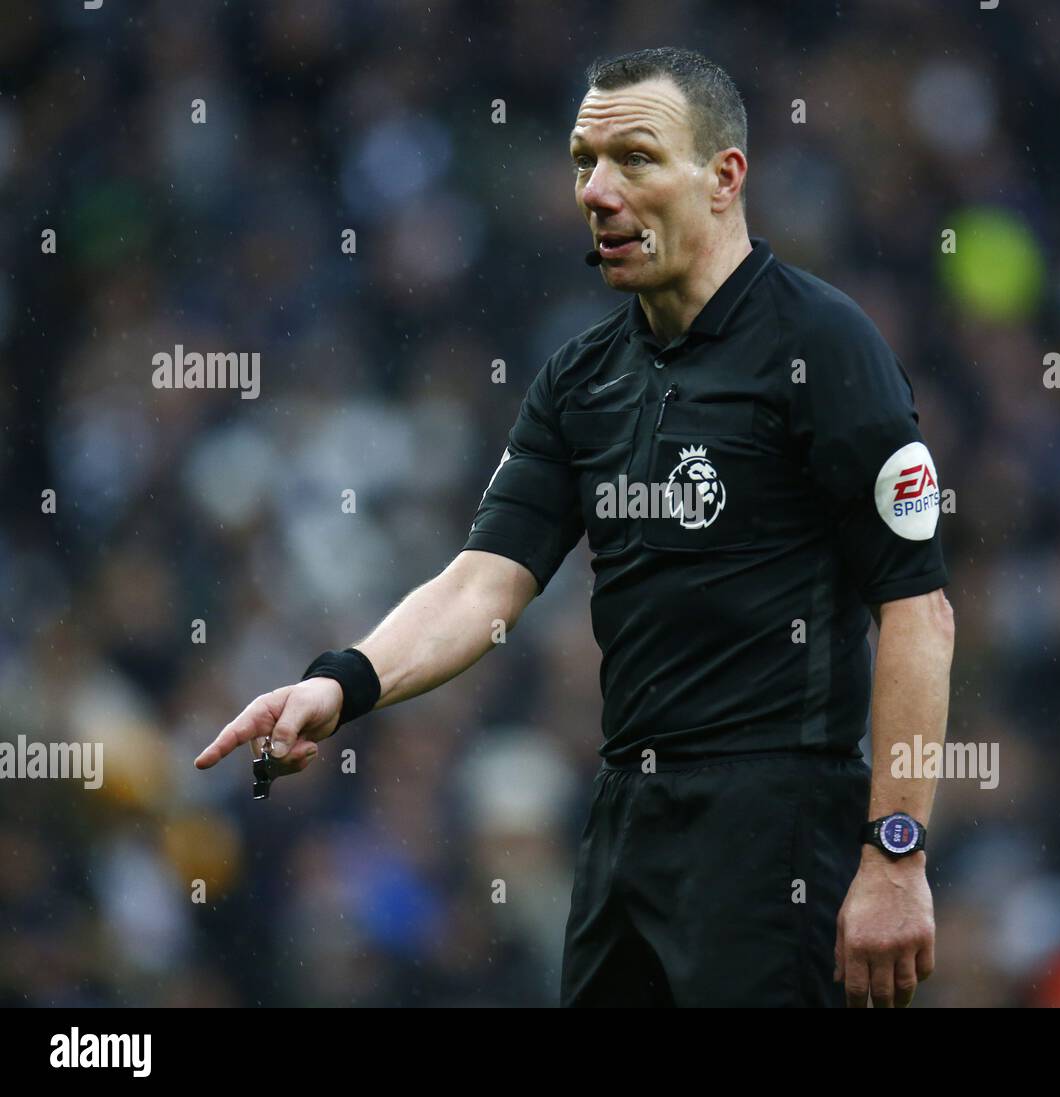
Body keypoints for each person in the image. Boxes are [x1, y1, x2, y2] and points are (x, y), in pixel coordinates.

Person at [195, 46, 955, 1008]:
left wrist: (895, 851)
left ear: (724, 178)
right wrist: (337, 684)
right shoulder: (581, 378)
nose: (597, 190)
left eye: (634, 158)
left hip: (778, 827)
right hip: (624, 823)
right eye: (582, 161)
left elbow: (919, 613)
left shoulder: (824, 346)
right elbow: (482, 584)